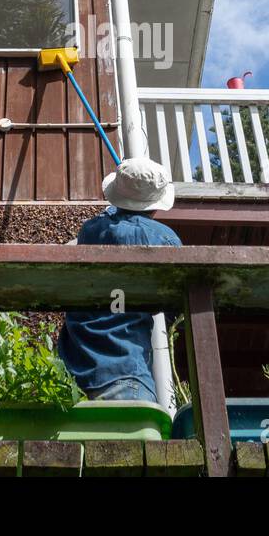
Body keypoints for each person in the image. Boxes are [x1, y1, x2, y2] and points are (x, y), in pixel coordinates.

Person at [57, 157, 180, 403]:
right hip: (127, 371)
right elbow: (176, 307)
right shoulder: (165, 240)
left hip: (74, 373)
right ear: (156, 206)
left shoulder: (90, 230)